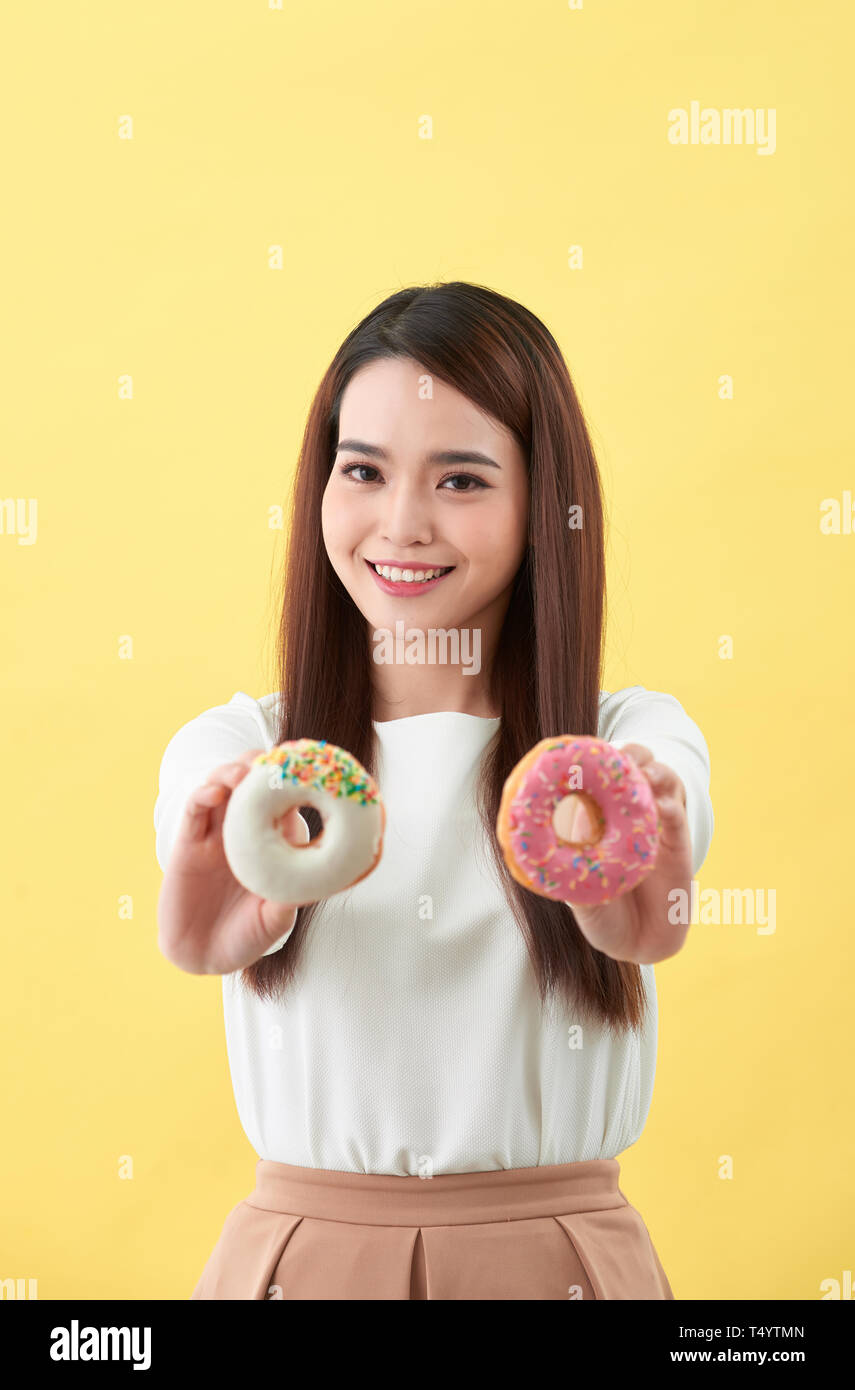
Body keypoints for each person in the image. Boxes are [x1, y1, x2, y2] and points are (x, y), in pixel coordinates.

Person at [154, 281, 714, 1300]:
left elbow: (655, 883)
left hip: (563, 1270)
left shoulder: (625, 737)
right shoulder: (248, 748)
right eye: (362, 470)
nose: (400, 523)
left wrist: (638, 846)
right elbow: (198, 852)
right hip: (304, 1269)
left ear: (542, 504)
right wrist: (215, 871)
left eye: (461, 480)